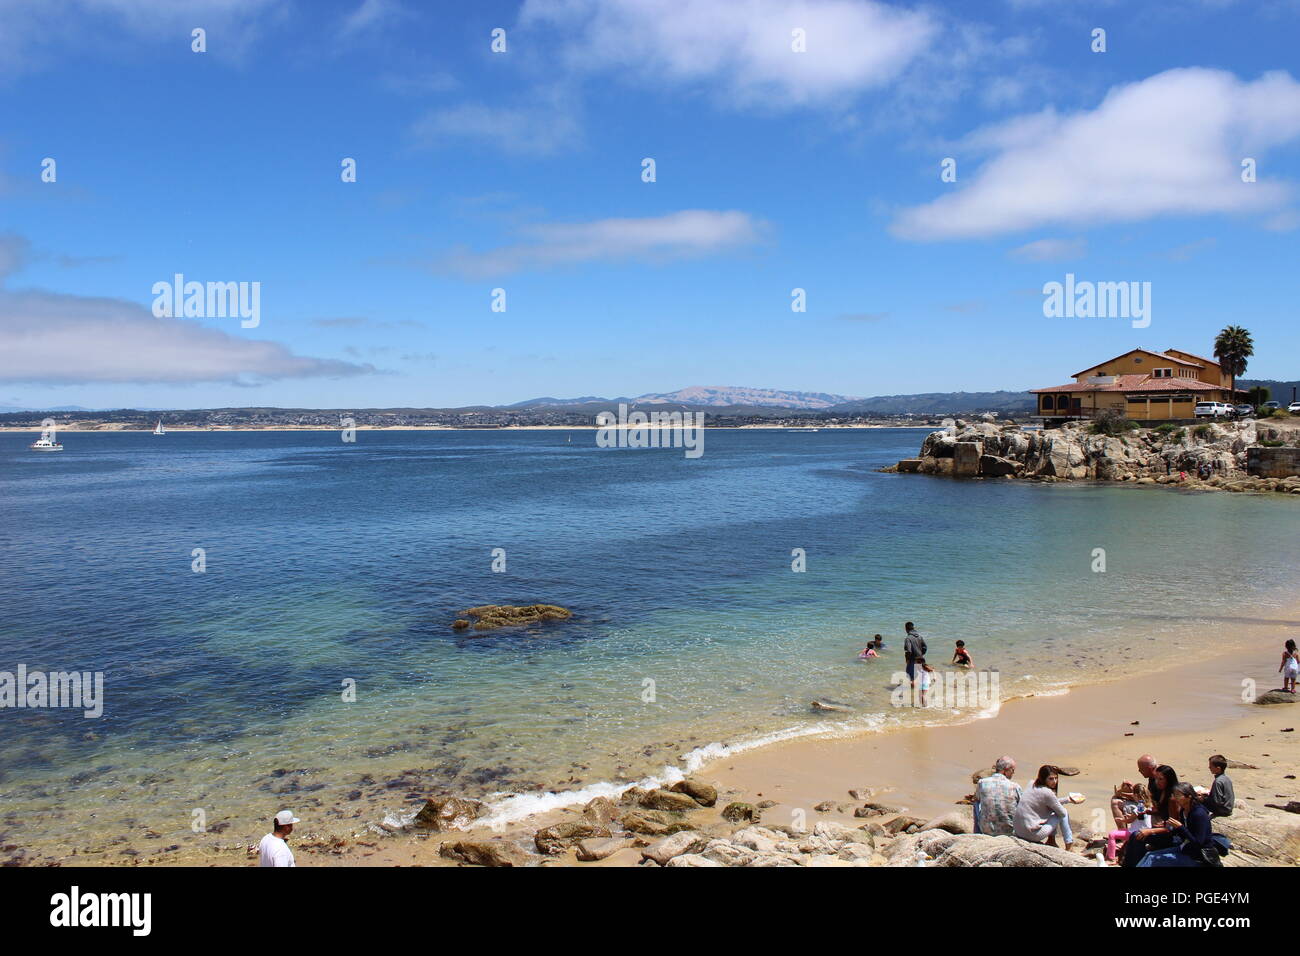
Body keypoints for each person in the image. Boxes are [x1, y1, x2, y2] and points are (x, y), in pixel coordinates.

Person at [1137, 783, 1222, 867]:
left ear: (1189, 797)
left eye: (1178, 795)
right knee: (1149, 855)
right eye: (1174, 795)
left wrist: (1181, 827)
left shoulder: (1199, 814)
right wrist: (1171, 827)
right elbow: (1181, 835)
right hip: (1185, 848)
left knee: (1153, 859)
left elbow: (1198, 843)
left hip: (1198, 856)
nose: (1174, 798)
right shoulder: (1183, 811)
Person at [1122, 765, 1179, 867]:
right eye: (1156, 778)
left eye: (1160, 779)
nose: (1157, 782)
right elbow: (1161, 811)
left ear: (1169, 779)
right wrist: (1148, 812)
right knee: (1135, 837)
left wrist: (1150, 831)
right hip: (1163, 827)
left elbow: (1174, 827)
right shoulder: (1163, 791)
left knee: (1137, 835)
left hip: (1173, 836)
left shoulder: (1172, 798)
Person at [1013, 765, 1074, 850]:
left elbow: (1051, 803)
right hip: (1032, 834)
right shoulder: (1047, 792)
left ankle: (1051, 841)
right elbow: (1061, 812)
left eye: (1056, 778)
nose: (1055, 781)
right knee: (1064, 812)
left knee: (1054, 809)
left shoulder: (1031, 783)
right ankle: (1069, 845)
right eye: (1051, 779)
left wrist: (1068, 799)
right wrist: (1068, 800)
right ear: (1043, 778)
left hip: (1018, 831)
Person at [974, 756, 1021, 836]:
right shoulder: (1015, 787)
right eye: (1012, 770)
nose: (1013, 773)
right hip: (1009, 831)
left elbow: (977, 800)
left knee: (976, 803)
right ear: (1005, 770)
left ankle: (977, 832)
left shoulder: (982, 782)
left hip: (986, 830)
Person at [1112, 754, 1163, 827]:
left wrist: (1122, 794)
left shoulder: (1158, 780)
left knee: (1115, 802)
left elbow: (1147, 801)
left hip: (1155, 814)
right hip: (1150, 807)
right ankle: (1123, 834)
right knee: (1119, 797)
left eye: (1141, 769)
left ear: (1149, 768)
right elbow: (1147, 797)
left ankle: (1123, 835)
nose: (1139, 771)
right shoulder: (1155, 774)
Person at [1105, 782, 1149, 861]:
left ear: (1135, 796)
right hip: (1146, 830)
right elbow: (1140, 818)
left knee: (1112, 835)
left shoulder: (1139, 808)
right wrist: (1130, 817)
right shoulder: (1148, 806)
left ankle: (1110, 857)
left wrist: (1122, 820)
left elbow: (1129, 821)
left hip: (1135, 833)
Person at [903, 622, 927, 688]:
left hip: (912, 659)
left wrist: (907, 659)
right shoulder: (920, 636)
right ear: (913, 628)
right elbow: (925, 647)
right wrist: (921, 654)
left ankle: (912, 694)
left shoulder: (908, 638)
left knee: (911, 677)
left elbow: (909, 651)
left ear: (906, 629)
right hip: (920, 659)